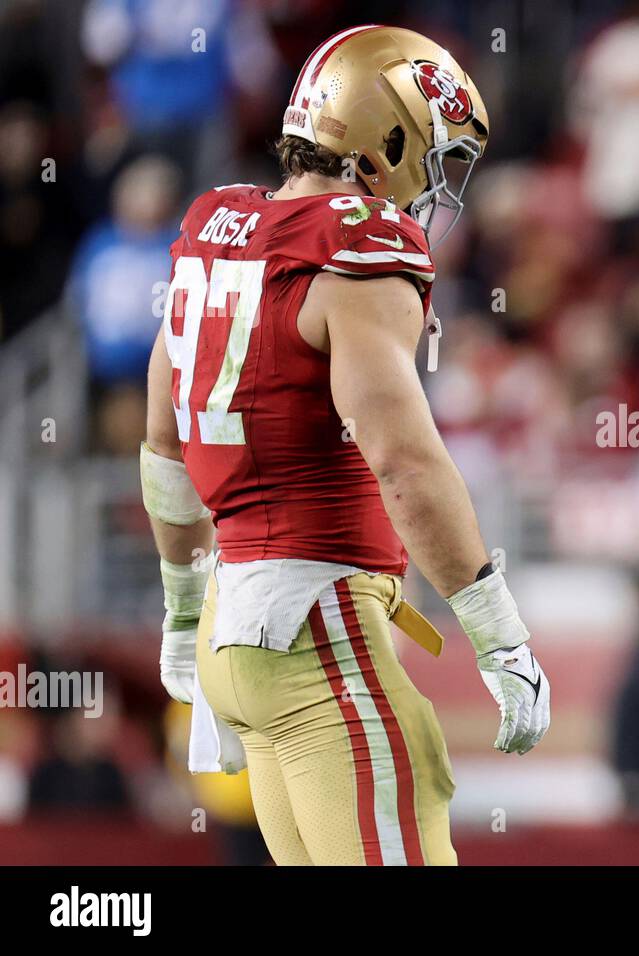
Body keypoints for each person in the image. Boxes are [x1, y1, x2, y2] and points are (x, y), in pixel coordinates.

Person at [141, 25, 550, 866]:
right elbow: (402, 459)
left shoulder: (218, 229)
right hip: (317, 627)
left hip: (235, 624)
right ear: (385, 141)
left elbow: (163, 446)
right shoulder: (361, 245)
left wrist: (183, 610)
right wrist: (499, 634)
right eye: (439, 159)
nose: (440, 188)